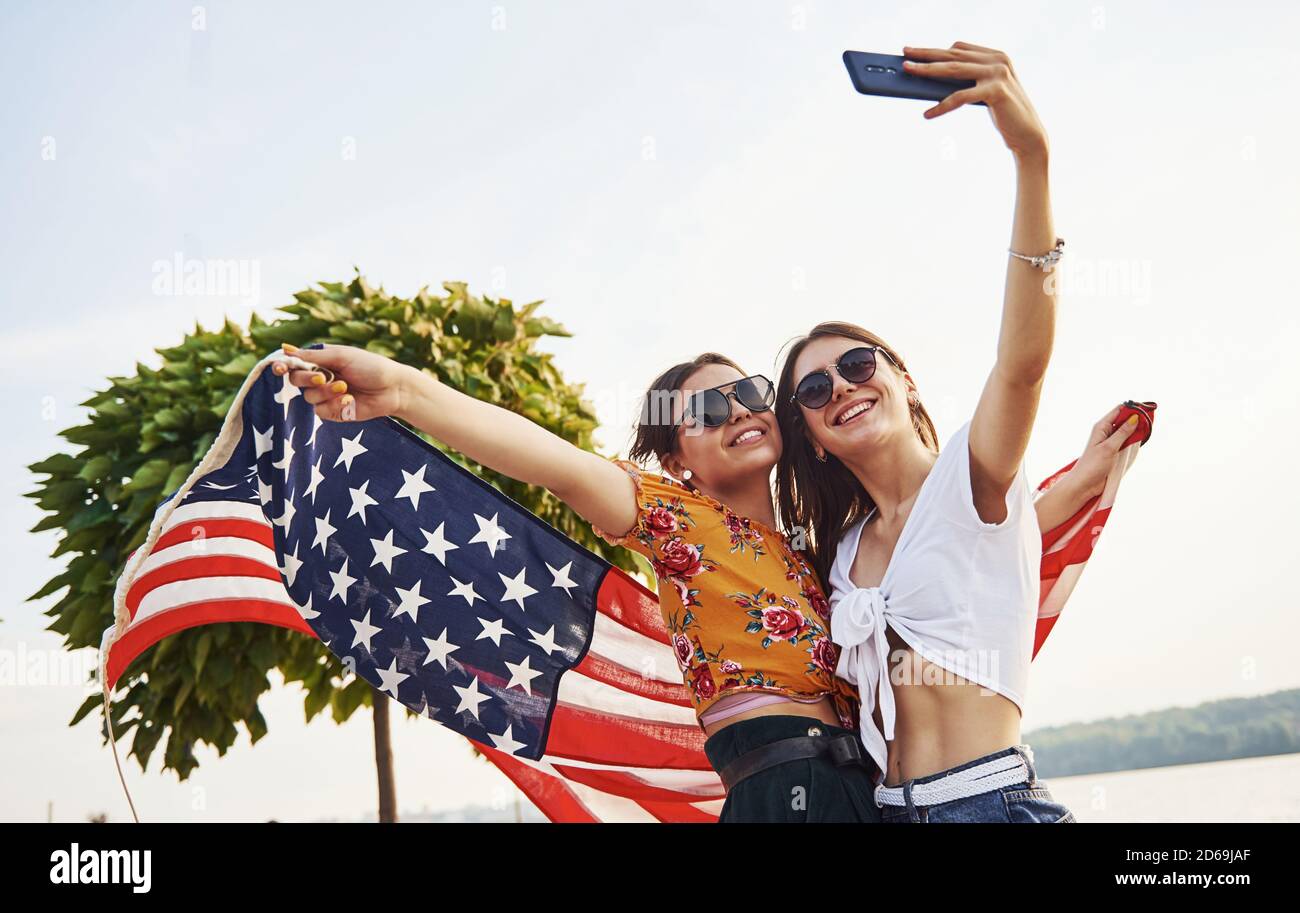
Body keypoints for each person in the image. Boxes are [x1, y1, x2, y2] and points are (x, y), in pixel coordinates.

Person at [774, 43, 1102, 822]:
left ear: (903, 378)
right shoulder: (842, 554)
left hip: (985, 803)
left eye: (858, 364)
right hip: (884, 809)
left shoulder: (971, 475)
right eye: (815, 390)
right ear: (813, 436)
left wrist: (1033, 157)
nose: (842, 388)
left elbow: (1022, 364)